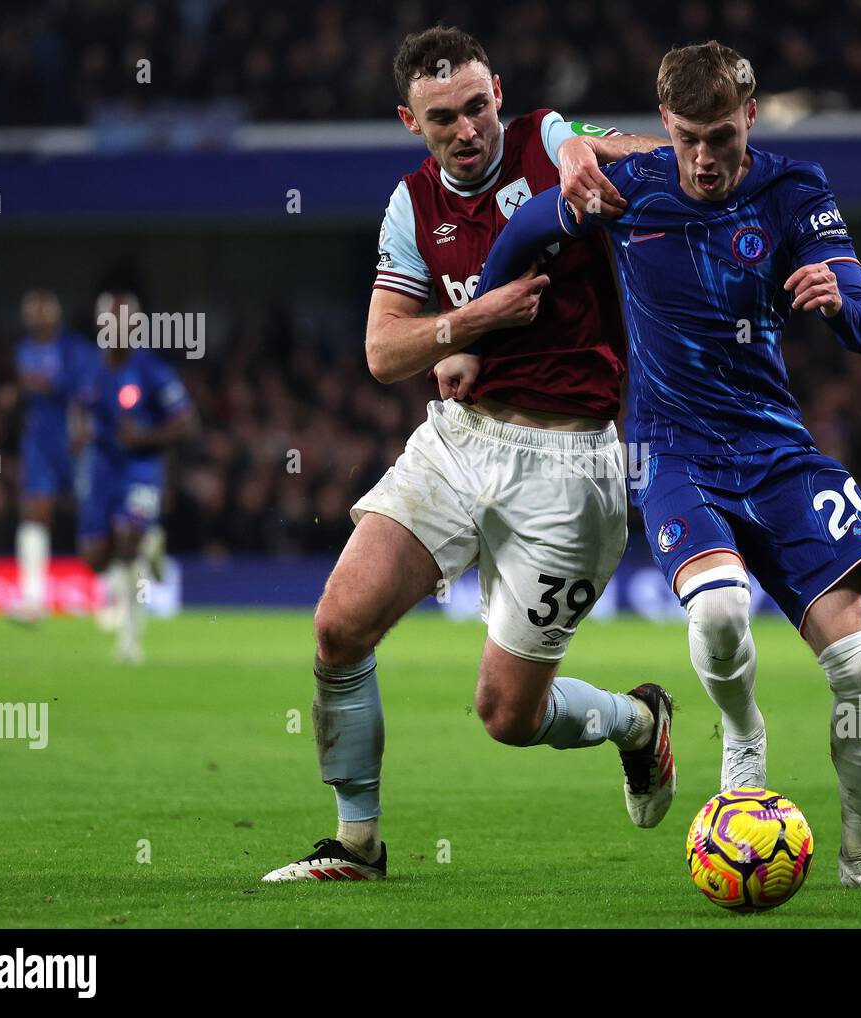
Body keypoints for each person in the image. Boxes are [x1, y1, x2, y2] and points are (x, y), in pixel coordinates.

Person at [464, 41, 861, 893]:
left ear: (749, 117)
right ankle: (743, 738)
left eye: (720, 136)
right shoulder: (628, 191)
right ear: (665, 127)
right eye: (686, 138)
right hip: (674, 453)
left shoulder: (795, 190)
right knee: (719, 613)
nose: (704, 158)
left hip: (778, 453)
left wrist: (839, 301)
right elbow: (527, 229)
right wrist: (479, 330)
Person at [262, 26, 675, 884]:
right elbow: (384, 354)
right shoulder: (412, 205)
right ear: (410, 121)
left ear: (500, 94)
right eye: (443, 116)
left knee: (507, 717)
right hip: (459, 440)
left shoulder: (546, 139)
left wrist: (594, 153)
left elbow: (630, 146)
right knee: (340, 625)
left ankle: (639, 724)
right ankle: (356, 845)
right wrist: (470, 324)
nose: (467, 129)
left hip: (570, 466)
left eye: (479, 106)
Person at [76, 292, 197, 663]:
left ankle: (130, 641)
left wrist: (144, 438)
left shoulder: (152, 370)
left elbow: (188, 423)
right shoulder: (90, 368)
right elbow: (79, 408)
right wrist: (78, 430)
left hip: (140, 467)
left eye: (124, 322)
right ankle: (151, 542)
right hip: (102, 469)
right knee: (96, 557)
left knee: (127, 541)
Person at [11, 291, 88, 623]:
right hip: (40, 442)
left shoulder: (74, 348)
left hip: (74, 439)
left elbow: (84, 389)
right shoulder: (22, 350)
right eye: (31, 312)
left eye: (41, 311)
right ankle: (32, 600)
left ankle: (116, 597)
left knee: (97, 513)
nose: (35, 317)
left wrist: (83, 428)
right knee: (36, 511)